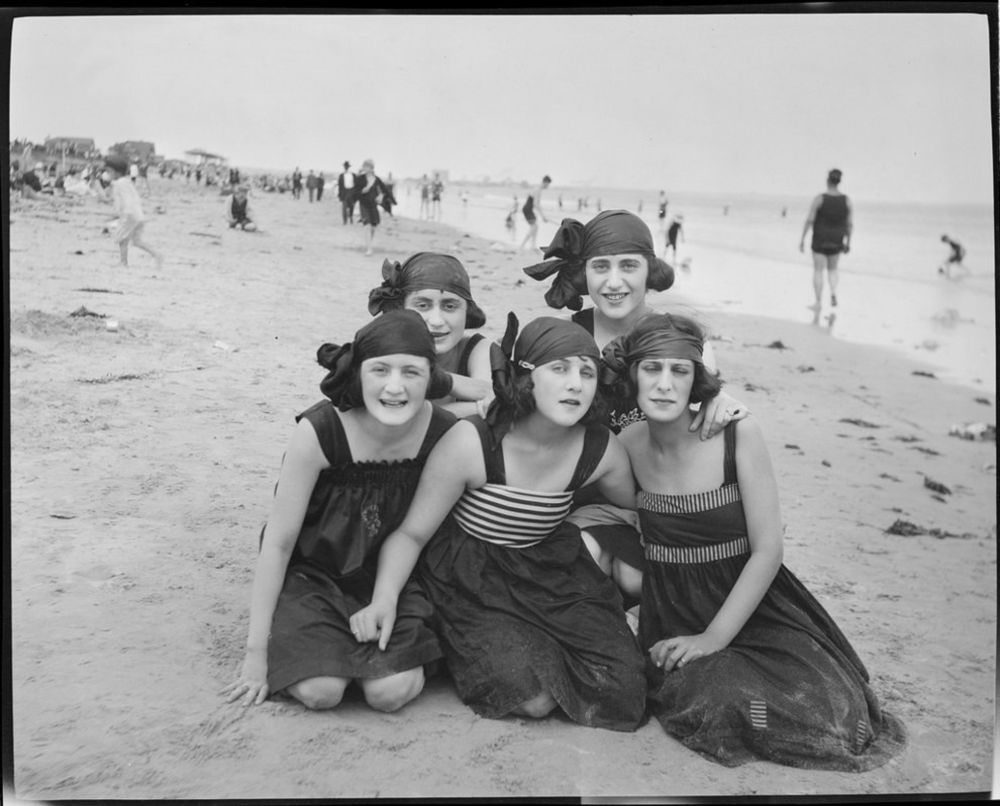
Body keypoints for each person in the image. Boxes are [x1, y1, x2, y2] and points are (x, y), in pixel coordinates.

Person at [602, 312, 907, 770]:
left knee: (831, 708)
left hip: (755, 604)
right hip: (675, 608)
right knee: (716, 697)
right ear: (632, 375)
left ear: (695, 378)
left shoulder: (736, 434)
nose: (665, 384)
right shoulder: (625, 443)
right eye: (651, 368)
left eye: (679, 370)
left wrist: (714, 637)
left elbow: (769, 550)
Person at [351, 314, 647, 731]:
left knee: (622, 688)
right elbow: (412, 534)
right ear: (526, 377)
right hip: (470, 575)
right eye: (559, 369)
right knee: (530, 696)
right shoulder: (475, 441)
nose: (575, 384)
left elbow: (644, 506)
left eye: (587, 371)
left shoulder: (601, 451)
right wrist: (384, 598)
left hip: (550, 572)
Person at [221, 310, 457, 711]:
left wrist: (386, 596)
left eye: (412, 373)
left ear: (431, 376)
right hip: (315, 574)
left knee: (389, 693)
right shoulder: (320, 431)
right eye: (380, 370)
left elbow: (414, 535)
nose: (395, 388)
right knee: (321, 692)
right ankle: (324, 654)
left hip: (396, 579)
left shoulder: (444, 434)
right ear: (358, 373)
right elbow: (278, 544)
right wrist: (255, 655)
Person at [523, 209, 748, 598]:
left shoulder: (679, 339)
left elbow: (701, 421)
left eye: (628, 266)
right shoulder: (568, 337)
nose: (614, 282)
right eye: (600, 267)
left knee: (634, 577)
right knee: (586, 559)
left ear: (650, 271)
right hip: (584, 497)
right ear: (582, 273)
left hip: (661, 501)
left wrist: (717, 398)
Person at [368, 252, 492, 418]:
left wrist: (418, 377)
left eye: (449, 306)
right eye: (423, 305)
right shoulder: (381, 350)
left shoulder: (477, 348)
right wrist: (475, 407)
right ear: (401, 309)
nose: (437, 321)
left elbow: (491, 394)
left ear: (466, 312)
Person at [800, 168, 852, 309]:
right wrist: (848, 242)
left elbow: (810, 220)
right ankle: (833, 292)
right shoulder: (846, 200)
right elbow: (849, 224)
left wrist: (802, 239)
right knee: (833, 270)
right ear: (839, 181)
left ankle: (818, 302)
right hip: (837, 240)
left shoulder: (820, 198)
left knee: (818, 270)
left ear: (828, 180)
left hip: (820, 239)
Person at [104, 156, 163, 270]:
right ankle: (156, 255)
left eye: (109, 171)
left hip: (129, 214)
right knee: (137, 241)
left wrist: (122, 214)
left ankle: (123, 262)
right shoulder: (127, 182)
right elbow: (134, 198)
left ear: (116, 172)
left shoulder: (118, 184)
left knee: (121, 237)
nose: (107, 174)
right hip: (138, 214)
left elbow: (123, 201)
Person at [356, 159, 387, 256]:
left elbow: (384, 190)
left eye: (367, 166)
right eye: (364, 166)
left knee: (373, 227)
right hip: (363, 204)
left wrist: (381, 196)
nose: (365, 168)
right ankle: (369, 249)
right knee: (367, 226)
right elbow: (357, 192)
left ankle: (368, 244)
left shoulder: (376, 179)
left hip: (373, 205)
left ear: (371, 168)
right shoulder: (360, 178)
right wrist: (364, 189)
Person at [519, 175, 551, 252]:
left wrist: (543, 216)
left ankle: (532, 246)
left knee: (535, 227)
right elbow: (536, 204)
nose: (548, 186)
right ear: (545, 182)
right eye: (548, 184)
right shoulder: (538, 190)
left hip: (528, 209)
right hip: (527, 209)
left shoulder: (537, 189)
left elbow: (535, 204)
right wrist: (543, 216)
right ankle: (522, 245)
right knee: (534, 227)